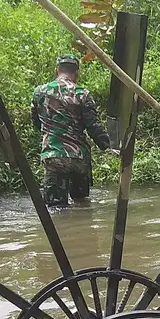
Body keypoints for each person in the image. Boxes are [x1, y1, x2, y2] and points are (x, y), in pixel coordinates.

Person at [31, 53, 111, 208]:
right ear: (77, 73)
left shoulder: (39, 92)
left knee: (55, 209)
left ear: (57, 71)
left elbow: (36, 122)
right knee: (82, 205)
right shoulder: (83, 94)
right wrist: (108, 145)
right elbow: (93, 126)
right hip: (79, 159)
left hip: (54, 157)